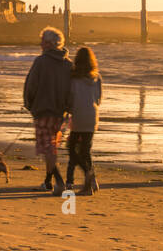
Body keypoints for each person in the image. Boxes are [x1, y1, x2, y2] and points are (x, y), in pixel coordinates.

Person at [23, 26, 73, 194]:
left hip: (43, 110)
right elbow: (72, 90)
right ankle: (47, 181)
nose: (40, 43)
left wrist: (29, 104)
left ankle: (59, 182)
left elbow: (30, 86)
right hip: (61, 113)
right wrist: (69, 108)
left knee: (47, 148)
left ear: (50, 44)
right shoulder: (68, 64)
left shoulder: (41, 61)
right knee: (52, 147)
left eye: (43, 41)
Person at [65, 46, 103, 194]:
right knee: (86, 150)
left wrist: (67, 110)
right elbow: (98, 99)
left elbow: (70, 97)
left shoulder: (73, 77)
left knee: (72, 148)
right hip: (92, 117)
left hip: (78, 115)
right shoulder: (97, 77)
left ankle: (88, 173)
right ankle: (92, 182)